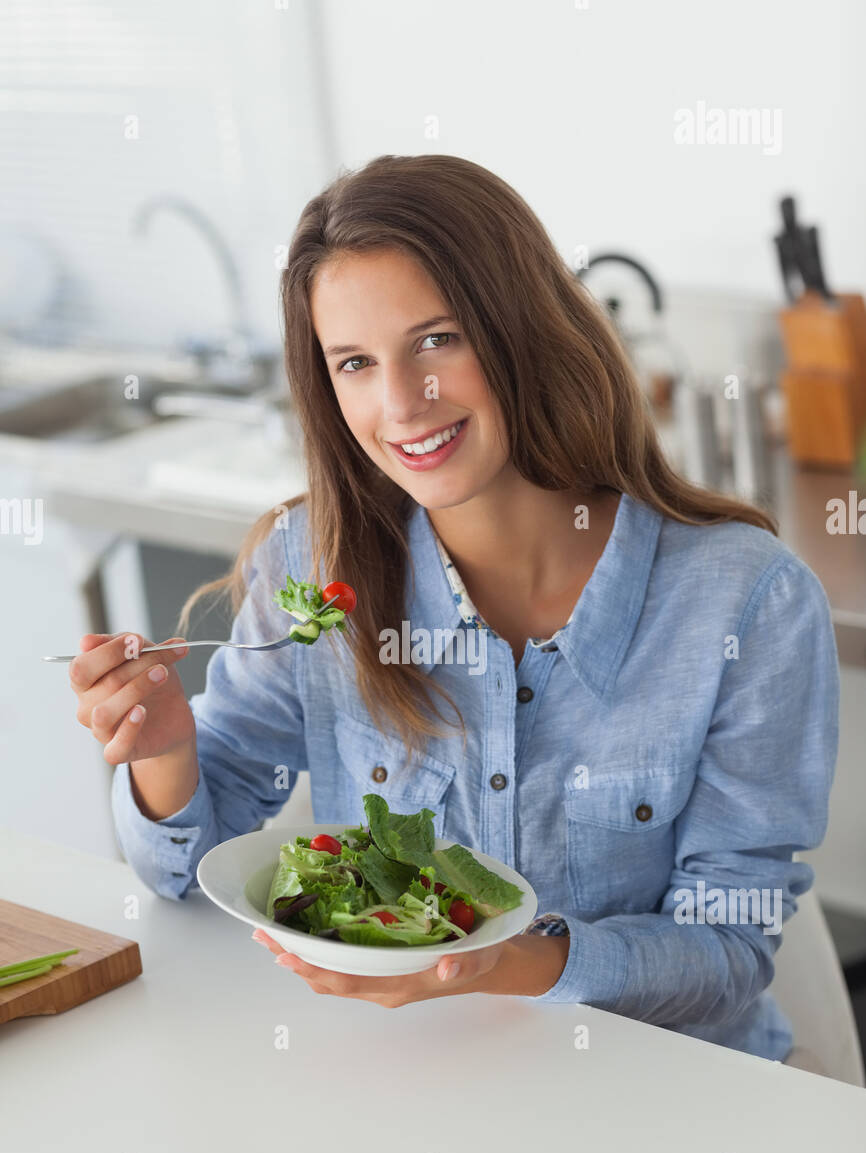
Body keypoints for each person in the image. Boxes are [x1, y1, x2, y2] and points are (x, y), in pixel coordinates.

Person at [68, 155, 839, 1064]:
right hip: (413, 1085)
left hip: (664, 1101)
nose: (401, 403)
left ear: (523, 331)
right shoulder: (312, 569)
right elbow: (182, 871)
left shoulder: (747, 600)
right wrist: (165, 752)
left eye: (436, 340)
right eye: (355, 362)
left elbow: (728, 952)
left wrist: (504, 964)